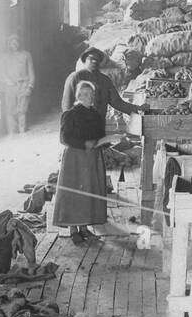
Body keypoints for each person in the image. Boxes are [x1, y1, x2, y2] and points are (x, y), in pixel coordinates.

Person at [53, 80, 113, 243]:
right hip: (75, 158)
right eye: (85, 94)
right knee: (75, 192)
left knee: (90, 192)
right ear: (78, 96)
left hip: (92, 157)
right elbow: (64, 138)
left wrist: (108, 140)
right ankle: (74, 230)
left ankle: (84, 228)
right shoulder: (70, 114)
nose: (89, 97)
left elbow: (100, 135)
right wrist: (83, 144)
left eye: (91, 94)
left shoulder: (95, 115)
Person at [60, 47, 145, 121]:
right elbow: (67, 105)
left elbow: (117, 102)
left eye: (97, 59)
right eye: (91, 58)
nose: (94, 61)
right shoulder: (75, 77)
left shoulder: (105, 80)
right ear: (85, 60)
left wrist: (137, 108)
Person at [0, 34, 35, 134]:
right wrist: (7, 81)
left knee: (22, 110)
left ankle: (22, 132)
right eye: (11, 42)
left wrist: (30, 86)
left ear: (19, 43)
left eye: (16, 42)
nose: (14, 44)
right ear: (8, 44)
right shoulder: (5, 57)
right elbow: (1, 72)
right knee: (10, 111)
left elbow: (31, 71)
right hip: (10, 87)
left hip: (23, 85)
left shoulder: (26, 55)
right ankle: (11, 133)